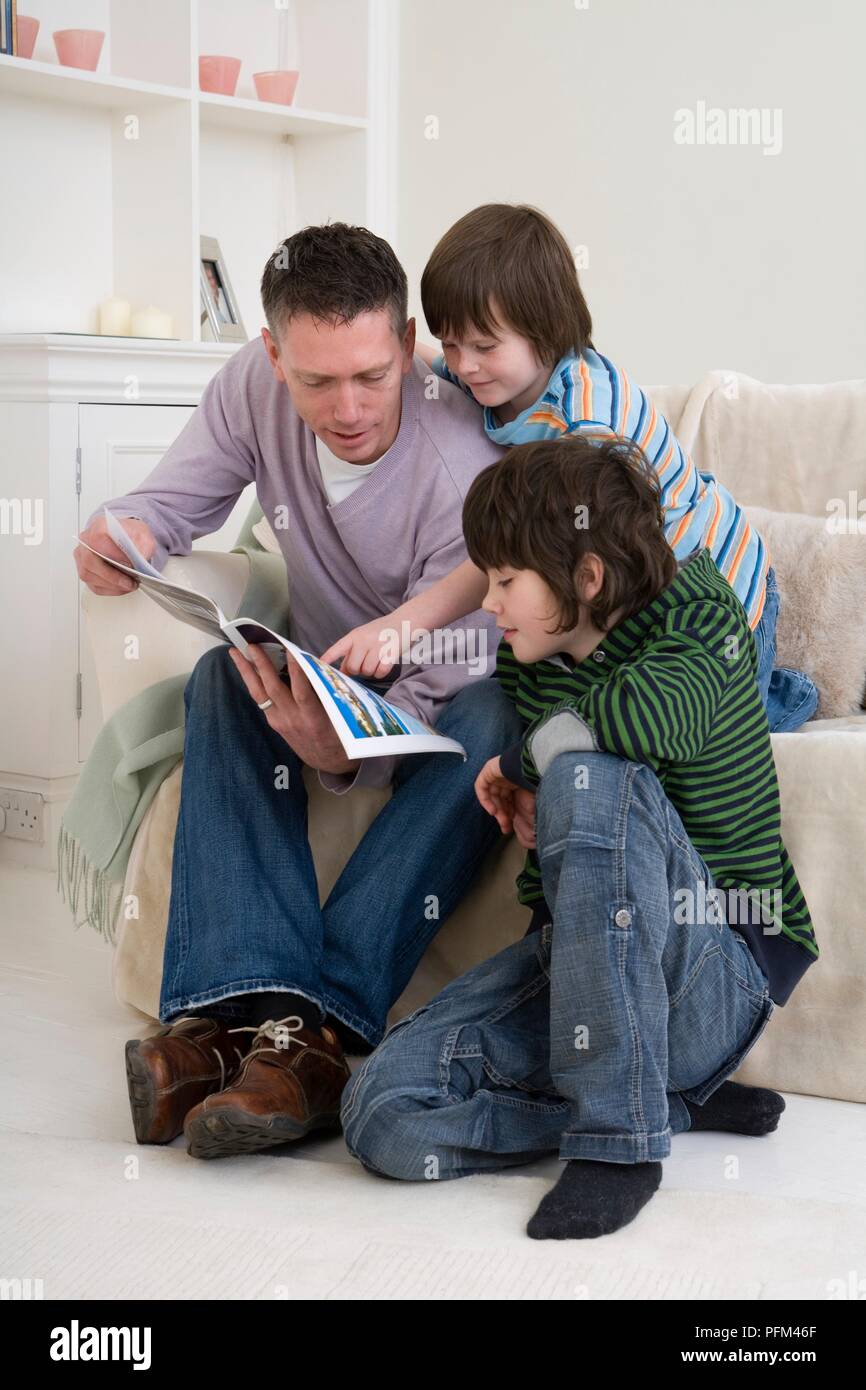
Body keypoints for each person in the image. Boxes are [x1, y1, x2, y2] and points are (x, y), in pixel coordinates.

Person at [74, 223, 523, 1160]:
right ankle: (226, 1029)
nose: (348, 407)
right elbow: (171, 504)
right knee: (220, 678)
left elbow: (449, 683)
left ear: (407, 343)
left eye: (371, 374)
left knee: (497, 721)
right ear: (273, 352)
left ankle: (316, 1031)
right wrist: (123, 535)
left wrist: (343, 759)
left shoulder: (461, 469)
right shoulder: (251, 385)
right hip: (332, 664)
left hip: (456, 688)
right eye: (316, 381)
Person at [340, 434, 819, 1240]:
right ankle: (662, 1095)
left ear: (587, 577)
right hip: (592, 979)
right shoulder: (535, 665)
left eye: (504, 581)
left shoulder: (702, 616)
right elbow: (570, 875)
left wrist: (526, 766)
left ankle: (621, 1145)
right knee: (383, 1114)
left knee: (588, 773)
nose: (488, 602)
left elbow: (641, 718)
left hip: (718, 969)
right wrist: (544, 823)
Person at [322, 203, 819, 735]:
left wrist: (403, 624)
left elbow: (519, 549)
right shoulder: (491, 377)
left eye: (483, 346)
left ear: (547, 331)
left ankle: (782, 698)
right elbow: (422, 358)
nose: (463, 364)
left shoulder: (586, 423)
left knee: (698, 732)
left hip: (719, 592)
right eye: (451, 342)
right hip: (629, 596)